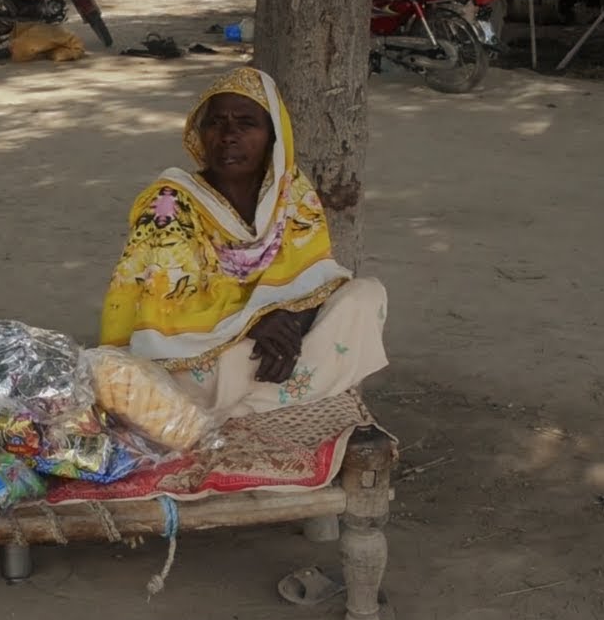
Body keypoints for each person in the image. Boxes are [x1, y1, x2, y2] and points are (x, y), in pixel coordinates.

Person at [99, 67, 388, 419]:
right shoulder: (171, 202)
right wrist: (252, 323)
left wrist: (290, 325)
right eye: (216, 122)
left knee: (365, 298)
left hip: (272, 341)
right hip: (209, 348)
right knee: (212, 367)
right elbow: (165, 302)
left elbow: (316, 277)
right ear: (200, 133)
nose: (229, 136)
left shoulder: (290, 190)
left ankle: (248, 400)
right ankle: (273, 396)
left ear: (272, 135)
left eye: (246, 123)